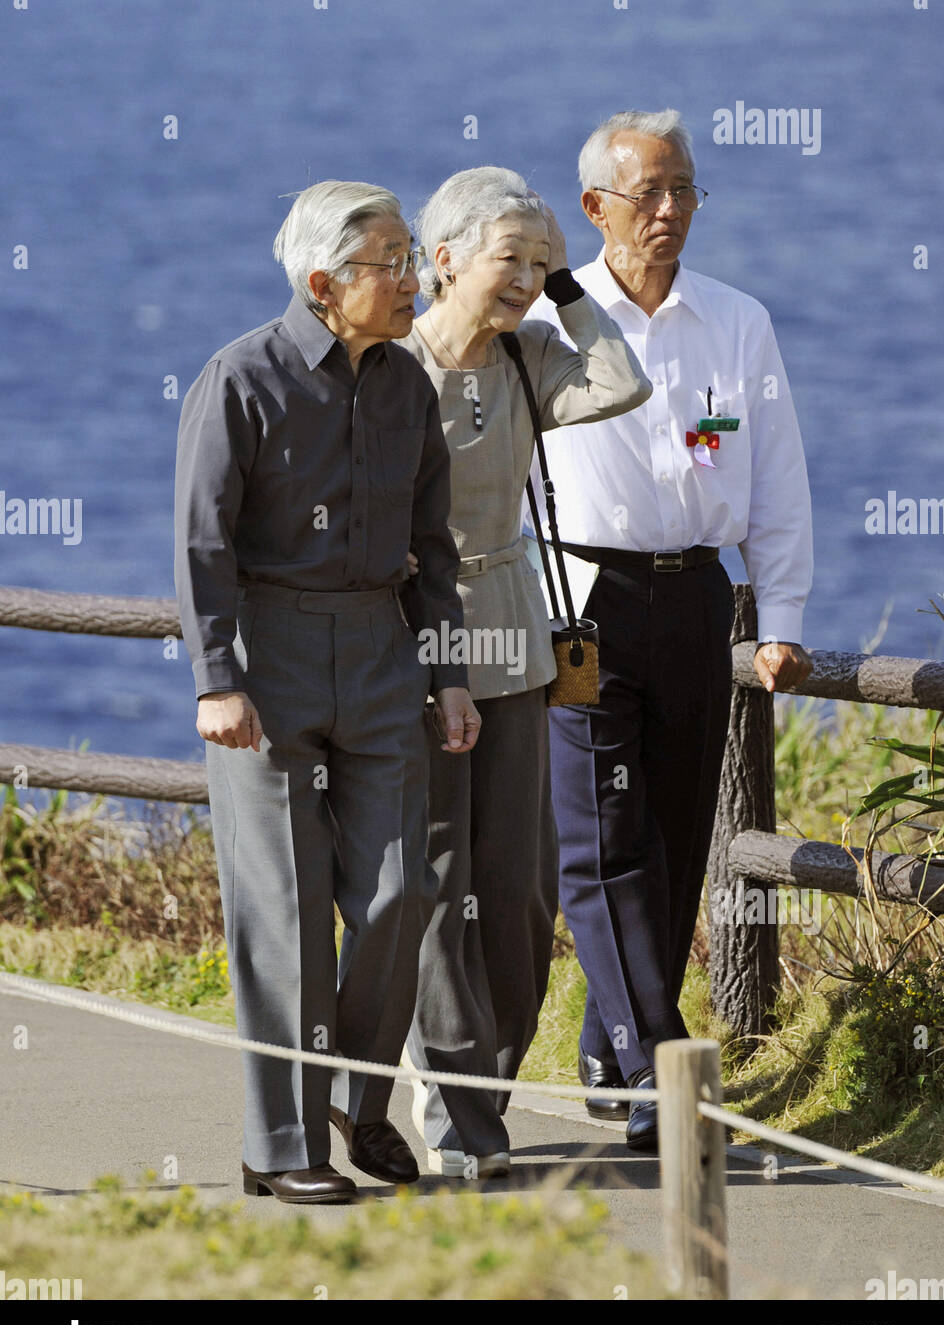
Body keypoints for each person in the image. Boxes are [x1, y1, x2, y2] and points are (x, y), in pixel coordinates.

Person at [174, 180, 480, 1204]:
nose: (411, 277)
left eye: (410, 258)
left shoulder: (407, 386)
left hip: (385, 652)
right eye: (389, 262)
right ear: (321, 284)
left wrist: (448, 675)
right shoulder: (238, 379)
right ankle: (283, 1146)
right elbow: (202, 543)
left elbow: (433, 548)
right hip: (269, 659)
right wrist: (217, 680)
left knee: (403, 890)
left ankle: (349, 1091)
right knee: (289, 915)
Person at [527, 110, 813, 1149]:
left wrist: (776, 614)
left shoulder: (737, 321)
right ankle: (661, 1072)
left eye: (683, 190)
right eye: (646, 193)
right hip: (579, 606)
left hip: (696, 600)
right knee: (598, 840)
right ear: (594, 207)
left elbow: (773, 475)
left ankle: (609, 1044)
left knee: (678, 831)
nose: (668, 212)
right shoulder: (545, 324)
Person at [400, 166, 651, 1177]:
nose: (527, 278)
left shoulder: (525, 354)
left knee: (517, 890)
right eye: (512, 257)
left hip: (512, 636)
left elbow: (620, 384)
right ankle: (455, 1108)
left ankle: (481, 1088)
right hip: (416, 639)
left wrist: (561, 293)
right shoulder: (389, 369)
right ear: (444, 258)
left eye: (542, 261)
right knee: (436, 876)